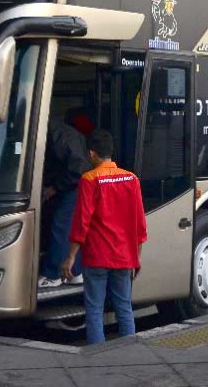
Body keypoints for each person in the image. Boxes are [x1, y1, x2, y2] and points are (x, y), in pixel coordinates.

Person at [62, 130, 147, 345]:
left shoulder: (90, 179)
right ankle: (129, 351)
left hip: (97, 257)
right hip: (124, 257)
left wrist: (71, 256)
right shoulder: (132, 179)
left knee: (94, 309)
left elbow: (82, 221)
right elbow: (139, 224)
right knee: (124, 307)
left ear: (92, 154)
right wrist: (136, 258)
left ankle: (97, 357)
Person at [37, 116, 91, 288]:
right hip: (72, 182)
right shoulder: (57, 132)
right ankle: (75, 272)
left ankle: (53, 274)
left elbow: (78, 167)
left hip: (75, 184)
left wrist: (54, 187)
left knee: (61, 226)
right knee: (70, 227)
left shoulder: (59, 135)